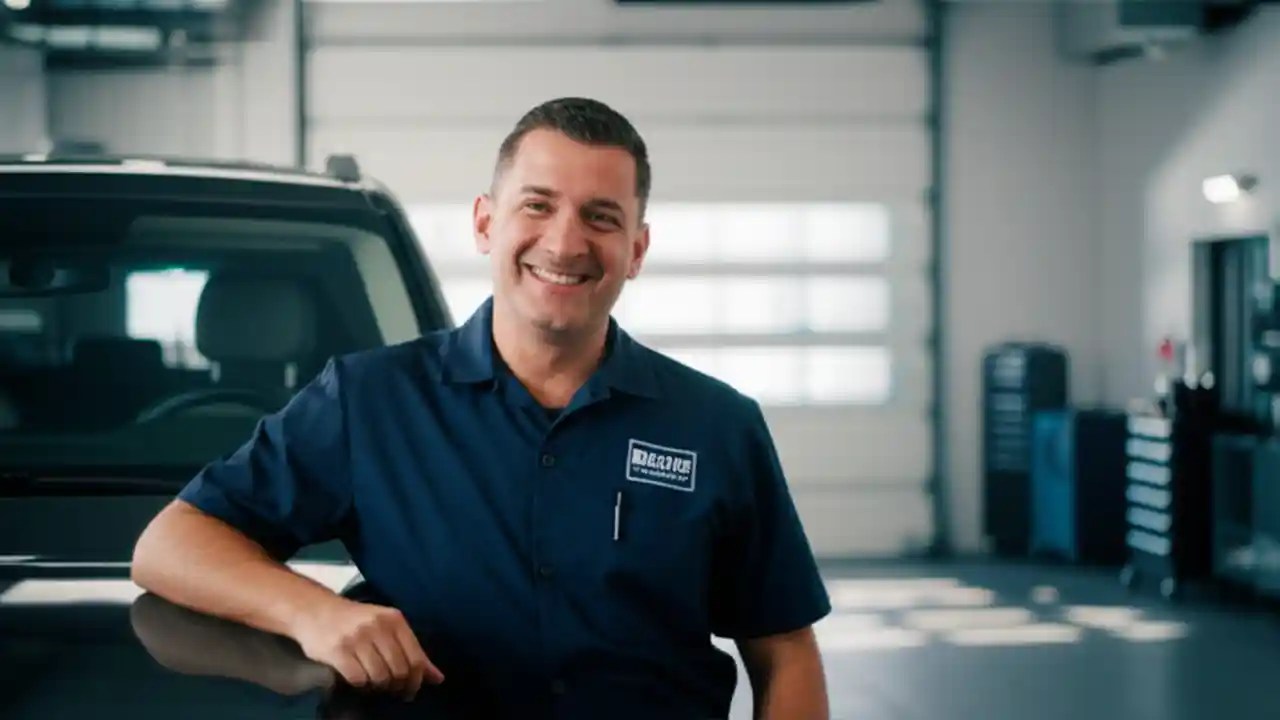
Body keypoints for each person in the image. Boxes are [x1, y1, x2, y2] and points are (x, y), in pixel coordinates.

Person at [132, 97, 832, 719]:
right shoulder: (369, 401)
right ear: (484, 223)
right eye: (537, 204)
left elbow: (786, 653)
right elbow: (171, 545)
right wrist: (315, 614)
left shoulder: (717, 425)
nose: (565, 242)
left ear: (636, 249)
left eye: (602, 217)